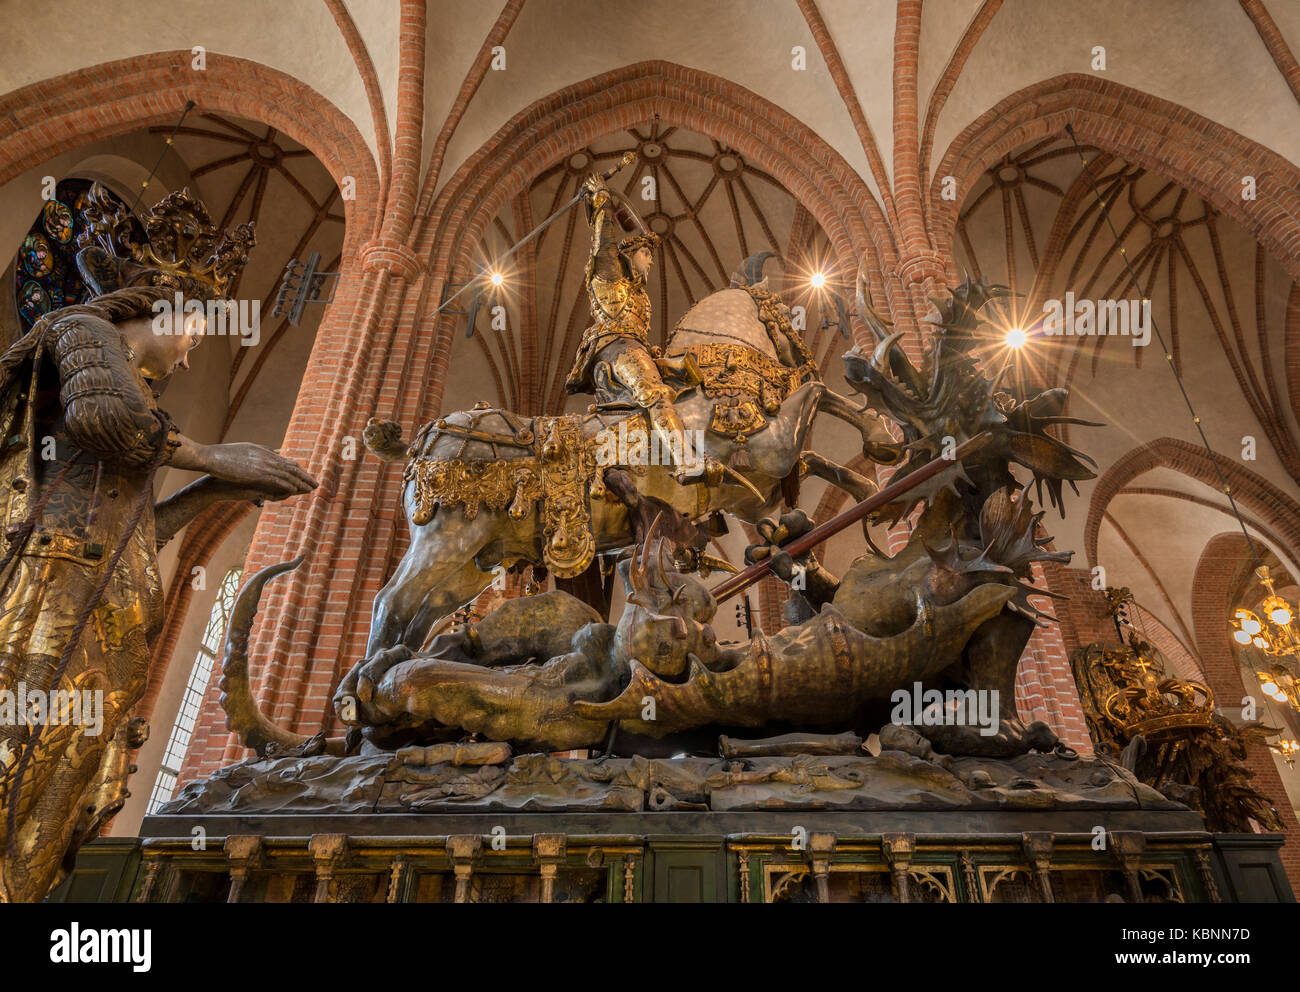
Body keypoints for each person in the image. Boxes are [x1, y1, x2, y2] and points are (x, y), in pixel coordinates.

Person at [0, 184, 315, 902]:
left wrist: (214, 493)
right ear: (167, 312)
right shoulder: (79, 330)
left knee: (60, 786)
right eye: (194, 339)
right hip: (47, 588)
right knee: (17, 760)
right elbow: (100, 416)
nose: (187, 360)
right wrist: (210, 456)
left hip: (100, 603)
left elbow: (140, 536)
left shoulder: (148, 409)